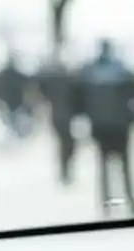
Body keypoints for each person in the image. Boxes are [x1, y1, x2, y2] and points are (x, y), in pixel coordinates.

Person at [80, 40, 134, 214]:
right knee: (126, 167)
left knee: (103, 167)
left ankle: (106, 204)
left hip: (100, 126)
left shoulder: (89, 72)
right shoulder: (121, 70)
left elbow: (80, 100)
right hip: (120, 126)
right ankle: (131, 201)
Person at [39, 56, 79, 185]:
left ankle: (65, 170)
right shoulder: (69, 81)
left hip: (58, 115)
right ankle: (65, 171)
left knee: (65, 144)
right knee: (67, 144)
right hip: (65, 116)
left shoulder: (53, 81)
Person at [0, 55, 30, 138]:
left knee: (12, 118)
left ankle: (13, 134)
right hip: (15, 100)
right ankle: (14, 134)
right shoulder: (15, 75)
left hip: (10, 100)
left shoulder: (4, 74)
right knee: (14, 118)